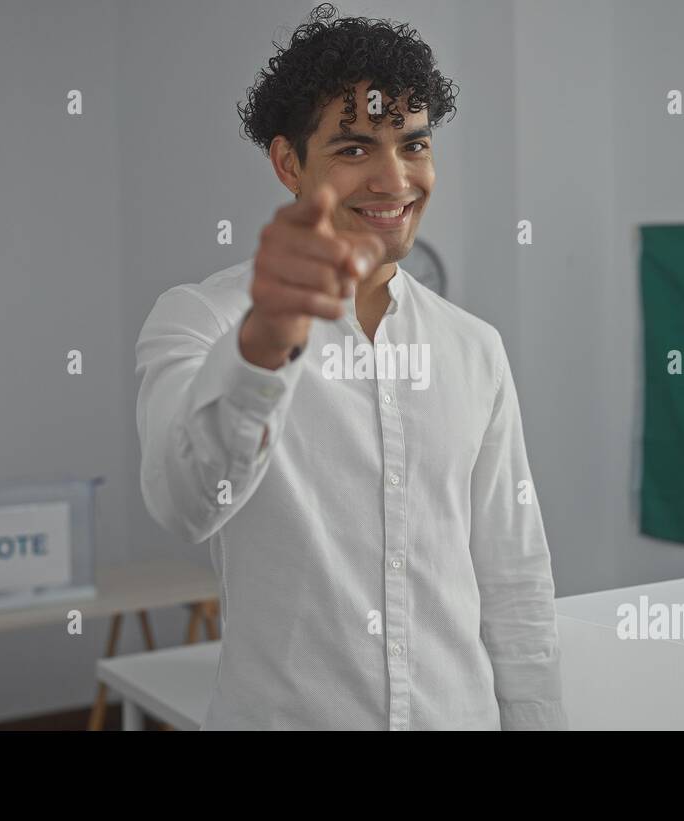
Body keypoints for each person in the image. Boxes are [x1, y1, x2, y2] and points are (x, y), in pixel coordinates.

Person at [135, 3, 566, 730]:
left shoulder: (474, 348)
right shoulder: (201, 319)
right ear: (288, 164)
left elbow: (513, 577)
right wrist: (265, 344)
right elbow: (184, 502)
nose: (395, 179)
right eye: (355, 148)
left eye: (415, 145)